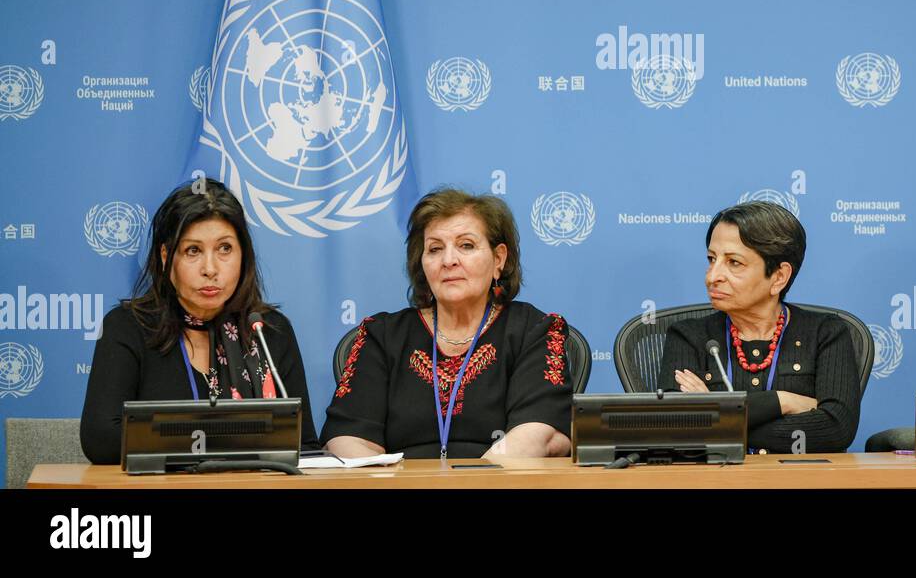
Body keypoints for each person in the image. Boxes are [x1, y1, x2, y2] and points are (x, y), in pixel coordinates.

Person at [321, 188, 572, 459]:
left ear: (498, 259)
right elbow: (346, 437)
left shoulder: (533, 330)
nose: (448, 260)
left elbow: (537, 434)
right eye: (435, 249)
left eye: (466, 245)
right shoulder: (381, 335)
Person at [80, 180, 319, 464]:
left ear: (243, 255)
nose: (210, 269)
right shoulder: (129, 327)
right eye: (193, 250)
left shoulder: (268, 332)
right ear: (167, 257)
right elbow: (101, 439)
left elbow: (303, 444)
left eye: (225, 249)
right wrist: (229, 439)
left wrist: (178, 436)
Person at [656, 200, 861, 453]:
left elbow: (836, 429)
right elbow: (676, 428)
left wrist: (716, 418)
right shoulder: (688, 336)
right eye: (712, 259)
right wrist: (783, 401)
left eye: (734, 263)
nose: (712, 276)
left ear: (778, 277)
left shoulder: (826, 333)